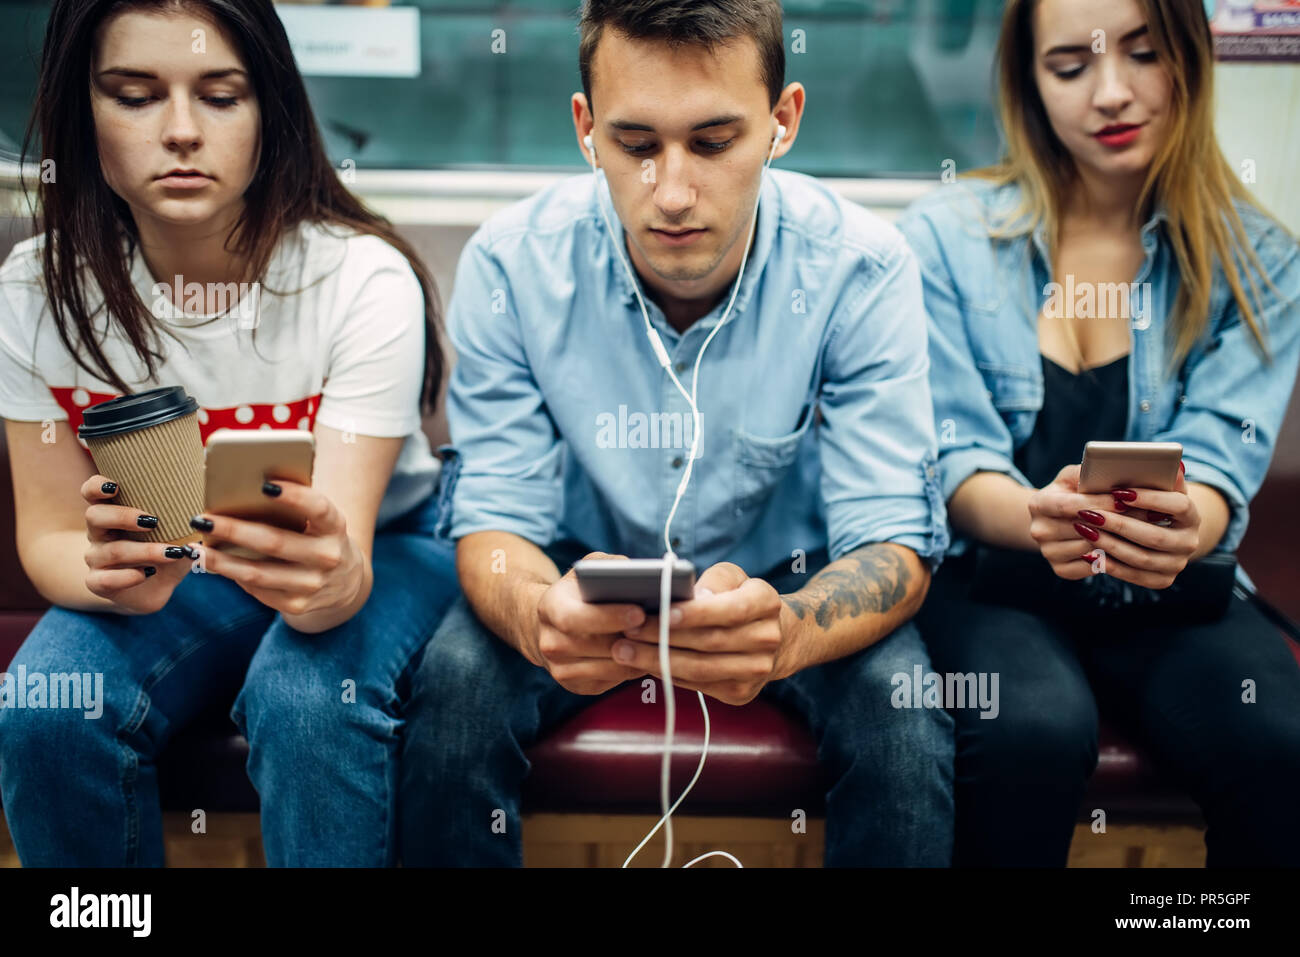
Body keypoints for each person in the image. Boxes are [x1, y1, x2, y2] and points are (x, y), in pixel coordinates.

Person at [399, 0, 954, 867]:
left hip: (795, 572)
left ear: (784, 122)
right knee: (457, 688)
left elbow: (895, 541)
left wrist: (793, 631)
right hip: (577, 564)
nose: (673, 192)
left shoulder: (861, 265)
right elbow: (493, 522)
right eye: (636, 145)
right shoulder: (512, 262)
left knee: (904, 717)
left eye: (713, 141)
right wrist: (542, 612)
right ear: (585, 128)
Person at [0, 0, 459, 866]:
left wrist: (328, 584)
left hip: (387, 547)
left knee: (309, 699)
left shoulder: (360, 279)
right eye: (134, 95)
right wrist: (106, 576)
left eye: (220, 95)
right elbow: (50, 534)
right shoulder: (34, 292)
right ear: (80, 113)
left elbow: (344, 564)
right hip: (183, 570)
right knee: (47, 707)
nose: (180, 131)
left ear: (270, 113)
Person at [897, 0, 1300, 867]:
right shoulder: (943, 241)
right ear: (1030, 83)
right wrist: (1039, 518)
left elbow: (1221, 462)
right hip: (996, 582)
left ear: (1189, 55)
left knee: (1277, 741)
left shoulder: (1261, 260)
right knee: (1031, 727)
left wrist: (1186, 523)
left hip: (1171, 594)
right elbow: (956, 461)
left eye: (1144, 53)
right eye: (1071, 67)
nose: (1111, 93)